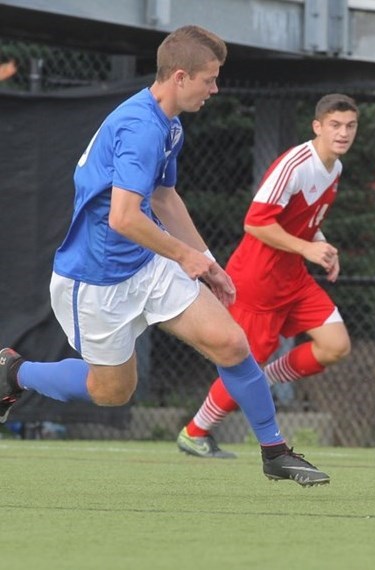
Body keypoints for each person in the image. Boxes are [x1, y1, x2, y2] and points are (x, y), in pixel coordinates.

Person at [0, 25, 328, 486]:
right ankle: (16, 373)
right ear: (179, 76)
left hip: (146, 262)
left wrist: (206, 260)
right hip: (94, 279)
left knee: (231, 342)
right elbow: (123, 217)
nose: (215, 89)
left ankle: (274, 452)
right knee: (111, 391)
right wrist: (185, 257)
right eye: (209, 79)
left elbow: (165, 199)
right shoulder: (141, 129)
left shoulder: (168, 122)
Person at [176, 94, 357, 458]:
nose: (343, 133)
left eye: (350, 126)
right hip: (258, 279)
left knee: (335, 345)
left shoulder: (334, 169)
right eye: (335, 125)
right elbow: (255, 222)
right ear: (317, 126)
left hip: (293, 277)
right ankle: (194, 433)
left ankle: (265, 380)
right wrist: (307, 249)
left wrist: (321, 245)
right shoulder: (296, 164)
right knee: (242, 360)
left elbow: (304, 222)